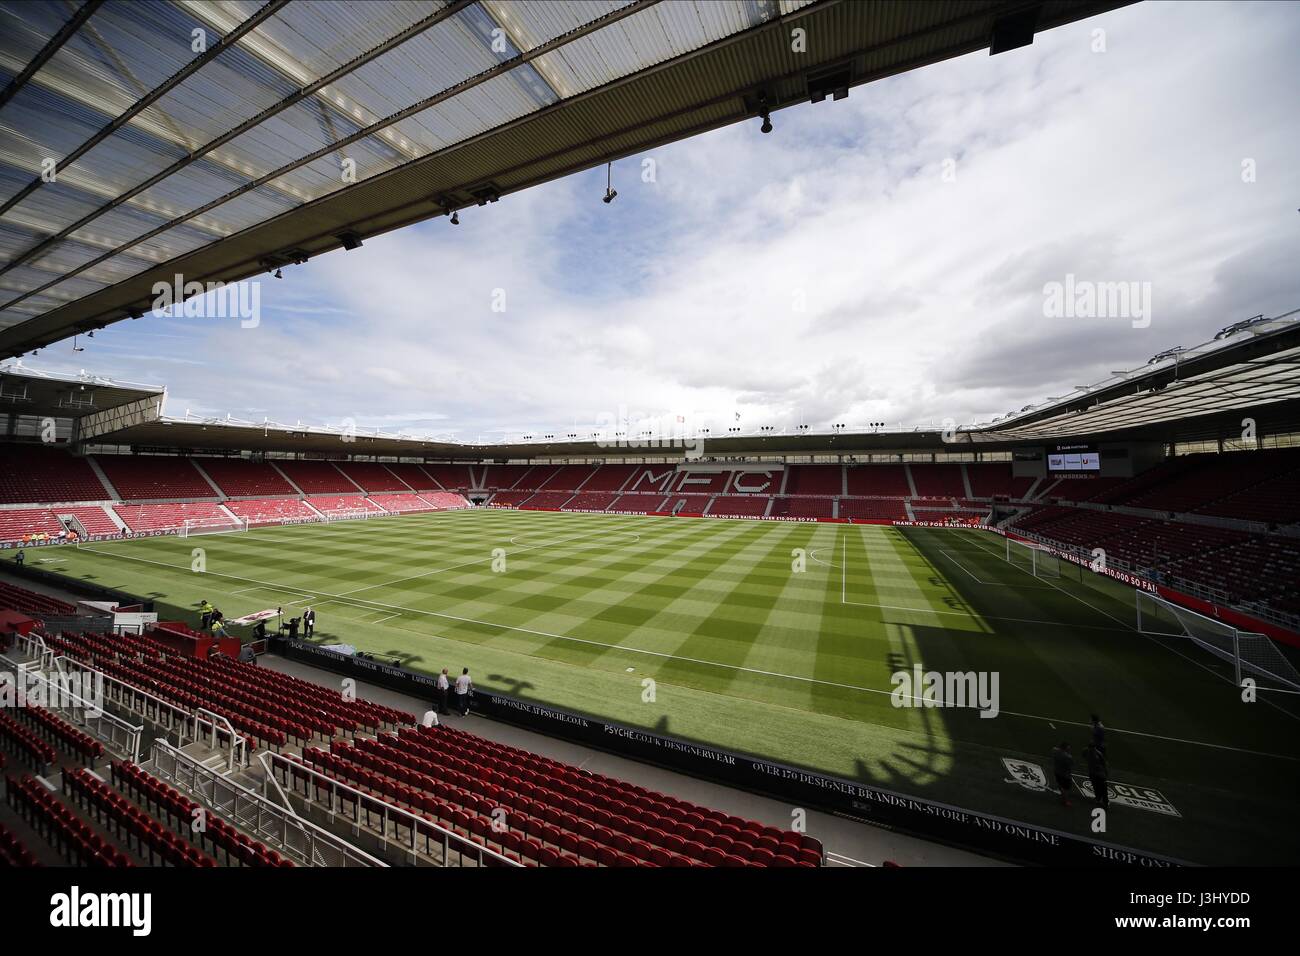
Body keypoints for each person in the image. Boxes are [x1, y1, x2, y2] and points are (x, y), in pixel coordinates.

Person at [1084, 743, 1109, 810]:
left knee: (1103, 789)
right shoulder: (1087, 751)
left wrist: (1105, 773)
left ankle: (1105, 803)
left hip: (1100, 774)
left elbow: (1104, 764)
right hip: (1093, 773)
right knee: (1095, 787)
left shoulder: (1098, 754)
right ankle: (1098, 799)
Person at [1051, 741, 1074, 807]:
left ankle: (1062, 793)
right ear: (1066, 748)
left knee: (1060, 784)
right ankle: (1065, 801)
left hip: (1057, 771)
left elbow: (1054, 748)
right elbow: (1071, 765)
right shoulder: (1068, 756)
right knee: (1066, 788)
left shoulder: (1055, 751)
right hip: (1065, 774)